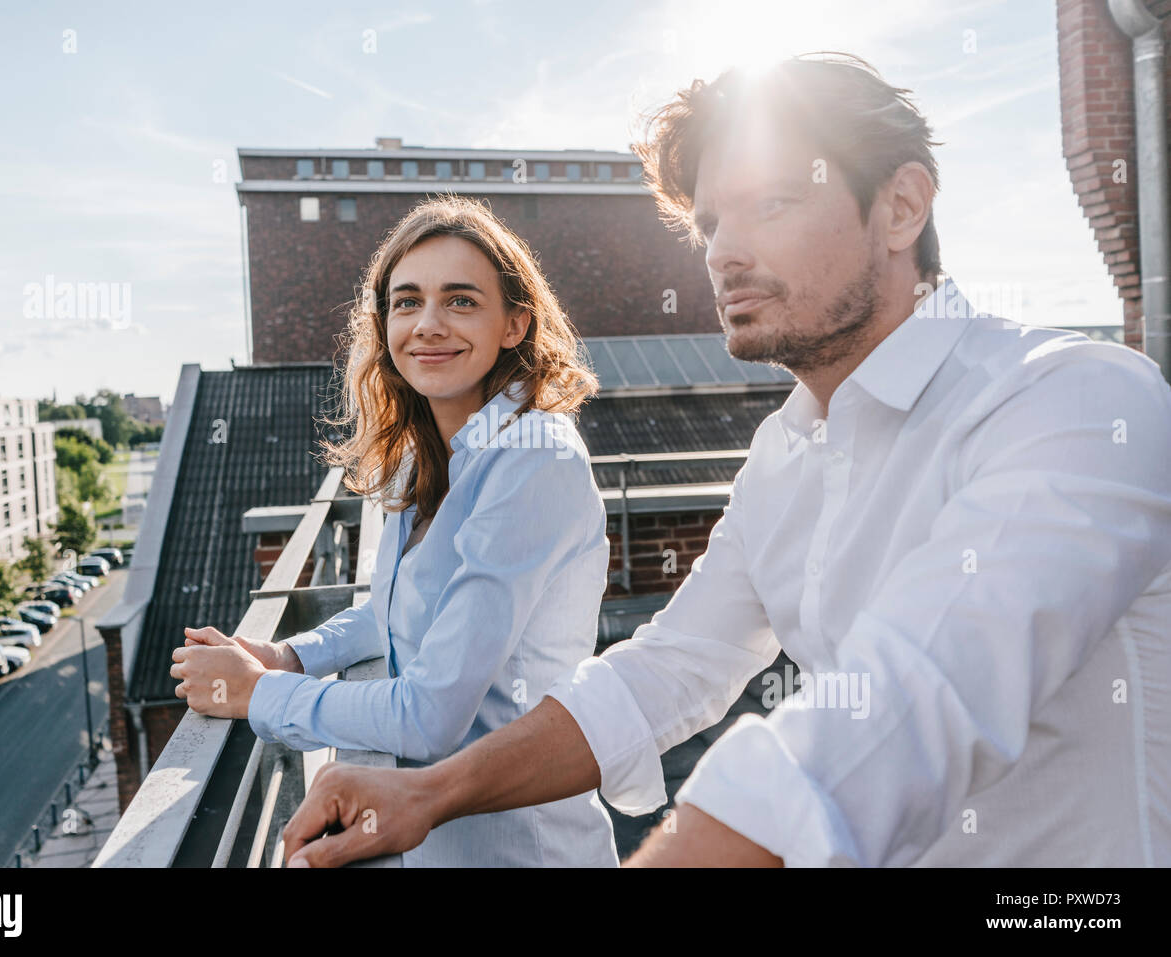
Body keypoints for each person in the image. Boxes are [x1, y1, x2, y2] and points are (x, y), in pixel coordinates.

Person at [280, 53, 1171, 868]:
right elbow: (665, 669)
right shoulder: (788, 452)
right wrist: (426, 794)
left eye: (773, 204)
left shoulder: (1076, 399)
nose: (724, 253)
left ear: (901, 207)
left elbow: (910, 698)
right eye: (710, 223)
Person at [171, 195, 619, 866]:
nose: (428, 325)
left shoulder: (534, 457)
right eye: (406, 302)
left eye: (461, 301)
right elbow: (388, 615)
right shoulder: (427, 454)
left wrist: (256, 692)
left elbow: (431, 715)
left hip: (524, 851)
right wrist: (288, 655)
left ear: (515, 324)